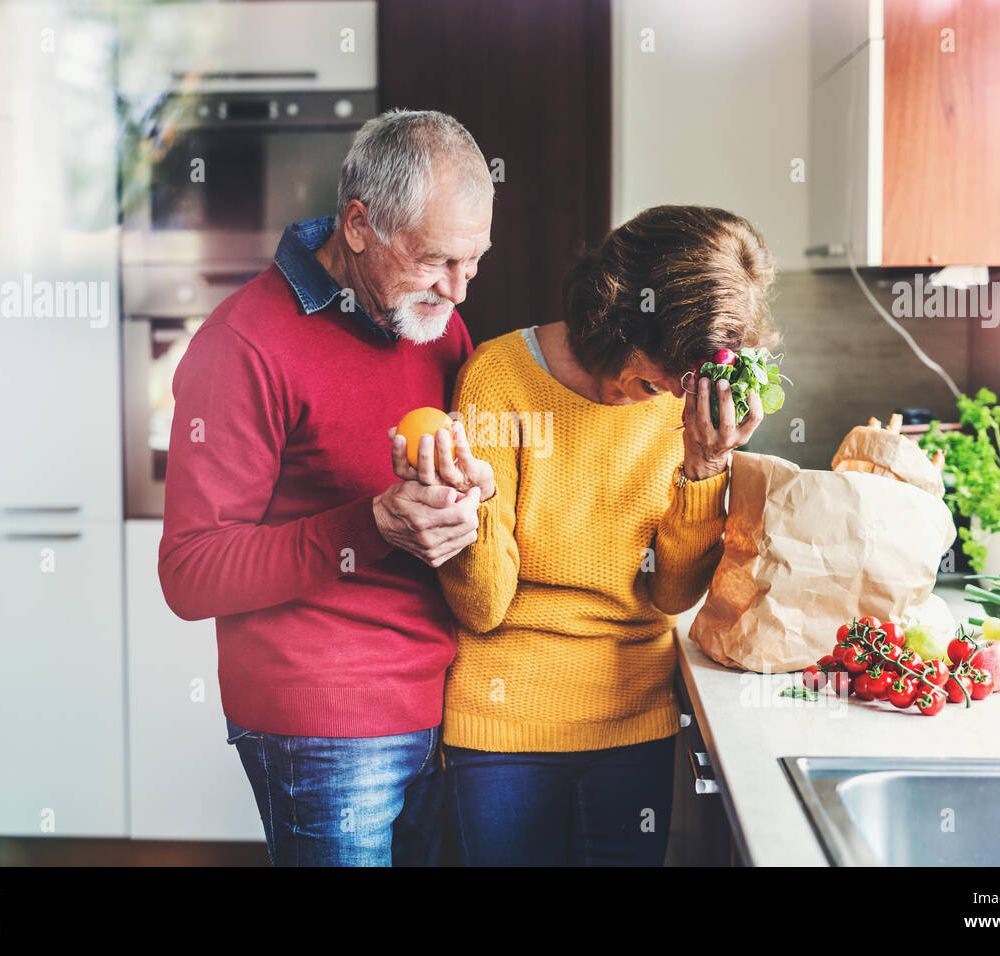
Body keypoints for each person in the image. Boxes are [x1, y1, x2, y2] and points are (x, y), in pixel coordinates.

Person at [158, 109, 497, 866]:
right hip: (320, 725)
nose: (459, 290)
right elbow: (188, 573)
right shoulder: (242, 346)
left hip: (442, 700)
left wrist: (475, 496)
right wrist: (373, 526)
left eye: (474, 262)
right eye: (438, 260)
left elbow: (452, 479)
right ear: (357, 224)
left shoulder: (436, 325)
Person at [392, 205, 779, 865]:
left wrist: (705, 468)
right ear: (610, 318)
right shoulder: (498, 380)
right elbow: (483, 607)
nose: (659, 395)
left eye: (677, 383)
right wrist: (473, 500)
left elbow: (672, 595)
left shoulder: (680, 404)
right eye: (653, 376)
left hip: (635, 719)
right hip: (503, 728)